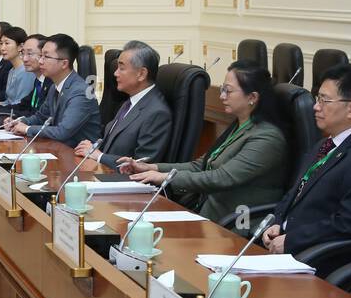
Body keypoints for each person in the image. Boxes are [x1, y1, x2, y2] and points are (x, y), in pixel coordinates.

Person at [121, 61, 287, 225]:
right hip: (211, 212)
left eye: (228, 91)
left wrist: (165, 177)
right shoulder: (239, 125)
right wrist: (152, 168)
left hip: (237, 223)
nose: (222, 96)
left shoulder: (267, 138)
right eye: (222, 89)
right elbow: (201, 165)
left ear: (252, 97)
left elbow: (222, 178)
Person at [262, 64, 351, 254]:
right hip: (286, 245)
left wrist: (292, 240)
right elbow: (296, 192)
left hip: (318, 256)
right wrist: (277, 222)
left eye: (324, 100)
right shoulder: (326, 143)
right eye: (317, 98)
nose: (315, 107)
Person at [75, 40, 171, 170]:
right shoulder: (130, 102)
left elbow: (142, 165)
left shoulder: (157, 113)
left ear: (141, 74)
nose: (115, 73)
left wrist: (99, 156)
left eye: (121, 68)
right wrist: (93, 148)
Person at [5, 33, 101, 149]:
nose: (40, 61)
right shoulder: (54, 86)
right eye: (41, 56)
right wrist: (20, 122)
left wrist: (26, 129)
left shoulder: (81, 92)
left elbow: (63, 131)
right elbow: (41, 117)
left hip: (80, 157)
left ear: (64, 63)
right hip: (58, 149)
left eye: (46, 57)